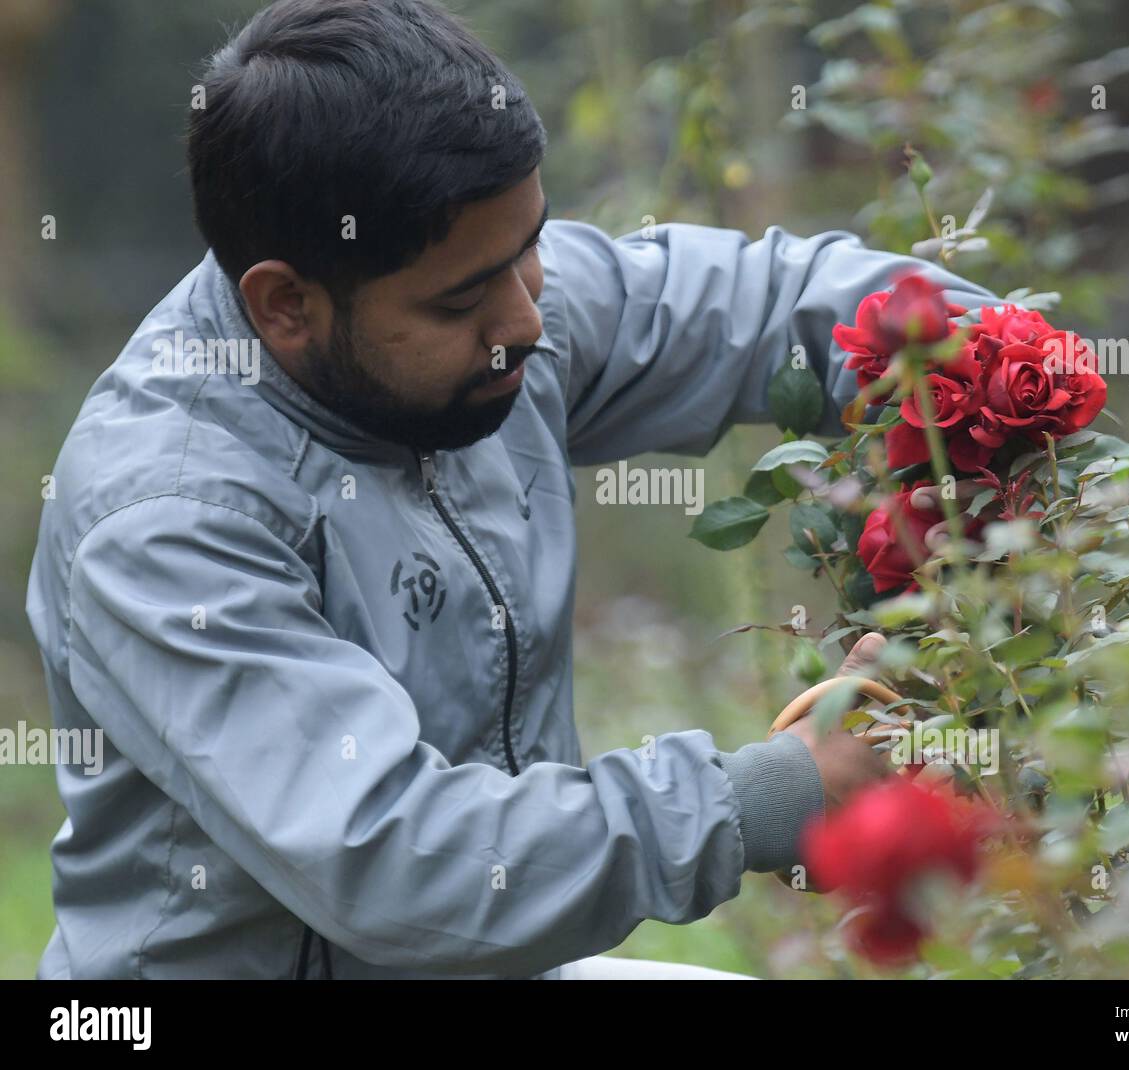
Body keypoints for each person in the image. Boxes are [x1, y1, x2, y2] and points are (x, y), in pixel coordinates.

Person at [25, 0, 996, 979]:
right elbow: (401, 864)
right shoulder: (168, 517)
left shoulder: (479, 297)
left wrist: (999, 384)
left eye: (529, 245)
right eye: (463, 299)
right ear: (285, 304)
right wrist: (771, 793)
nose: (528, 318)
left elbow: (771, 307)